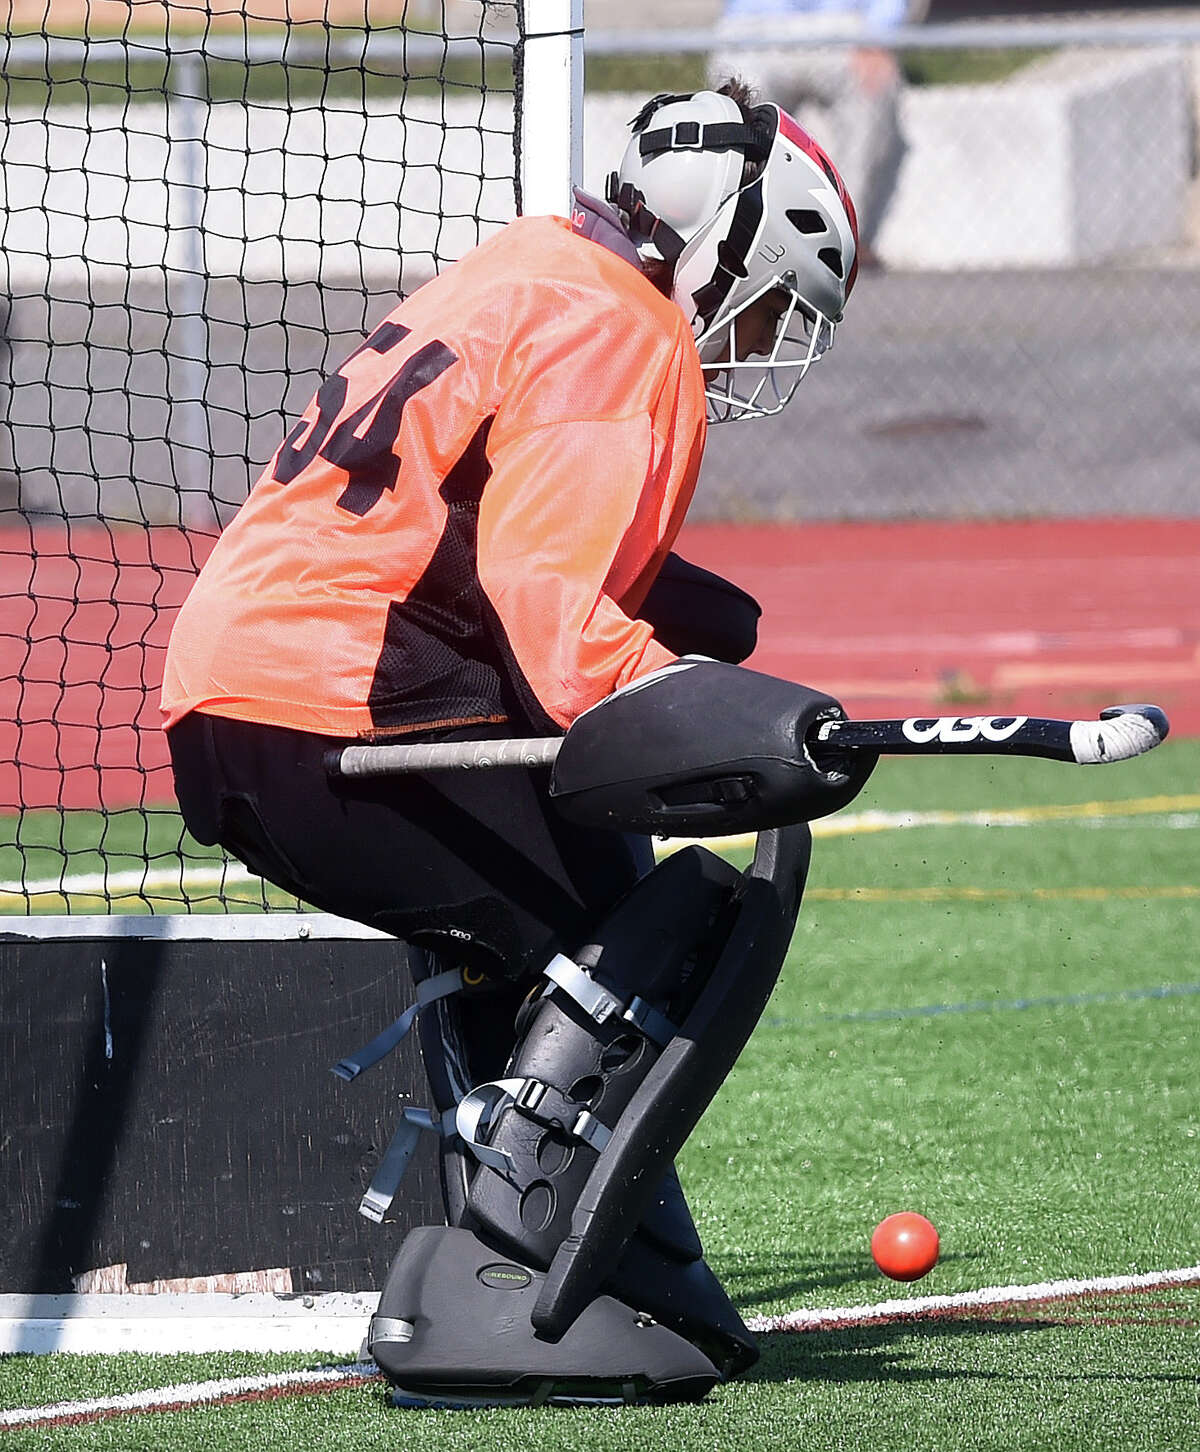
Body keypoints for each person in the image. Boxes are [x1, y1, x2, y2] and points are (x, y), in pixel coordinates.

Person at [161, 82, 863, 1406]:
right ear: (724, 242)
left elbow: (469, 518)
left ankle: (611, 1265)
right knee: (650, 931)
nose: (762, 340)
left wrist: (691, 623)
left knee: (576, 891)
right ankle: (505, 1281)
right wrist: (722, 715)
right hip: (340, 696)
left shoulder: (531, 266)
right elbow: (555, 622)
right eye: (772, 302)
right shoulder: (627, 327)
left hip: (241, 695)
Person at [711, 0, 930, 257]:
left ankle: (846, 240)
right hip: (755, 23)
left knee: (873, 93)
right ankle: (733, 234)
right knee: (731, 112)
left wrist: (878, 34)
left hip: (844, 24)